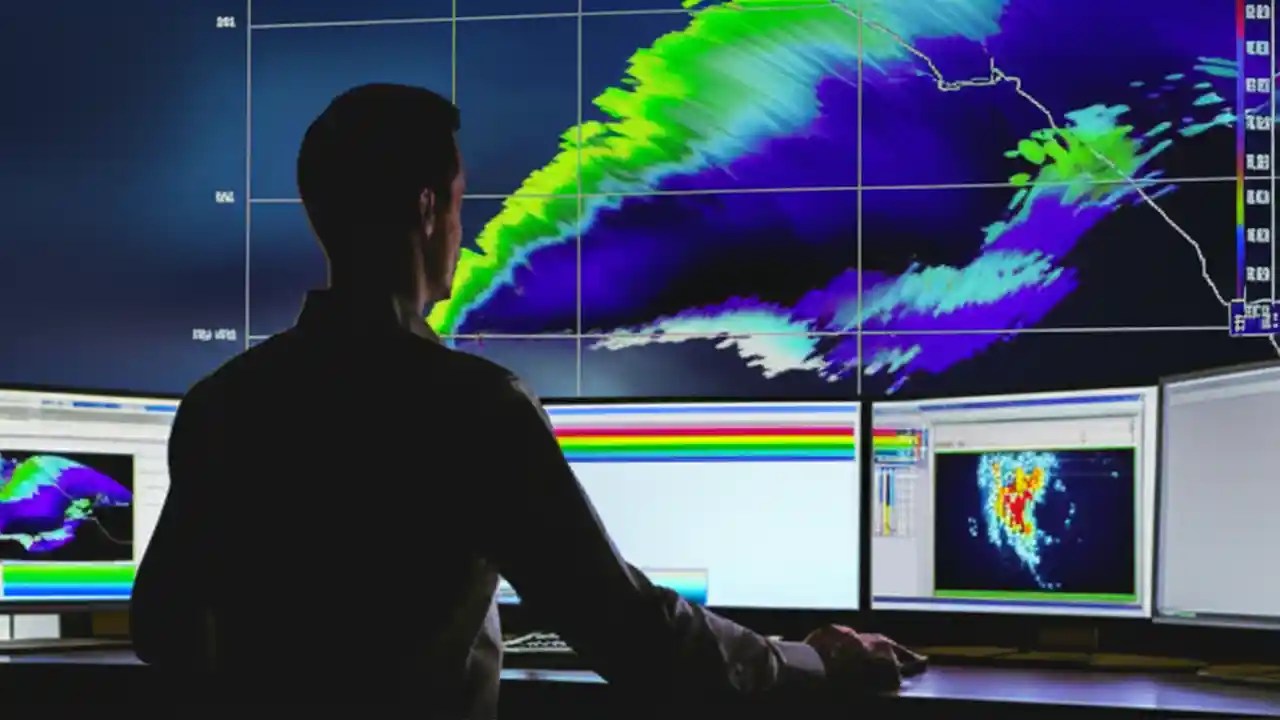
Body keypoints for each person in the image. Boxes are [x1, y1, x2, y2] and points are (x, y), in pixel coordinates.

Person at [130, 83, 920, 713]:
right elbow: (629, 634)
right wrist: (810, 659)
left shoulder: (220, 404)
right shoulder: (470, 408)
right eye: (461, 201)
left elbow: (160, 629)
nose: (463, 231)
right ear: (428, 208)